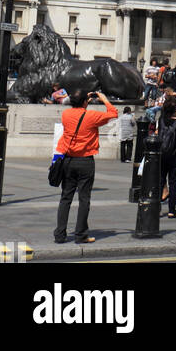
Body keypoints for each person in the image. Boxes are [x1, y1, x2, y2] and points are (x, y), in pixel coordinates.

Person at [52, 87, 118, 245]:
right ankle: (81, 235)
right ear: (85, 102)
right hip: (85, 161)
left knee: (65, 198)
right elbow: (114, 113)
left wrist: (83, 98)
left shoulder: (65, 114)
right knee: (84, 199)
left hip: (67, 160)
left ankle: (60, 234)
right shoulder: (92, 116)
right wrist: (104, 99)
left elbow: (74, 106)